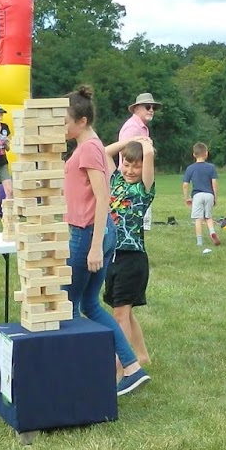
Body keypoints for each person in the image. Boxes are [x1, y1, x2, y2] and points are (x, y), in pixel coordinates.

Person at [64, 85, 150, 396]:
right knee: (90, 304)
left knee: (68, 305)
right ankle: (131, 366)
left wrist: (95, 245)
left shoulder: (88, 148)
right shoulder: (93, 144)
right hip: (95, 232)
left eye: (65, 121)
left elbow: (103, 198)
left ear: (82, 121)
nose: (62, 127)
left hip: (88, 233)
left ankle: (78, 377)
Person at [103, 135, 156, 366]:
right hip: (112, 255)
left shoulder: (144, 189)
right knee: (125, 312)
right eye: (127, 164)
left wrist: (145, 144)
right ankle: (142, 356)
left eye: (137, 165)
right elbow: (105, 153)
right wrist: (130, 141)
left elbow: (150, 154)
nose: (131, 170)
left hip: (132, 258)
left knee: (120, 315)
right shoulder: (115, 180)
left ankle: (123, 365)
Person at [119, 91, 158, 229]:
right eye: (148, 107)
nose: (151, 110)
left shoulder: (142, 127)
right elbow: (125, 152)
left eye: (153, 107)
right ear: (136, 109)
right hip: (131, 181)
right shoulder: (132, 127)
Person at [182, 142, 220, 252]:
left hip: (197, 195)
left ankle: (199, 241)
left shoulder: (190, 168)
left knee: (198, 219)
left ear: (194, 154)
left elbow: (185, 185)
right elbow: (214, 183)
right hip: (209, 194)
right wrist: (215, 197)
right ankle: (212, 232)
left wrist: (187, 198)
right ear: (206, 153)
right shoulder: (211, 167)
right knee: (208, 217)